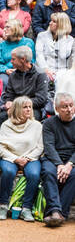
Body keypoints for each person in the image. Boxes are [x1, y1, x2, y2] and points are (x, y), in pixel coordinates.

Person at [0, 96, 43, 221]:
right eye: (25, 107)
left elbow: (40, 147)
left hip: (30, 158)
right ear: (16, 109)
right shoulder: (6, 125)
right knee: (9, 172)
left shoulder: (37, 125)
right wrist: (15, 159)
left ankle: (26, 208)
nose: (28, 110)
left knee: (34, 174)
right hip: (9, 156)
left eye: (30, 107)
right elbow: (1, 148)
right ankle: (3, 206)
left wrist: (27, 158)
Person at [41, 92, 75, 227]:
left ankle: (60, 214)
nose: (69, 109)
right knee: (48, 172)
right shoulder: (49, 123)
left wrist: (70, 164)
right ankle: (56, 211)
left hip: (72, 160)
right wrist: (60, 164)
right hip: (53, 158)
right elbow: (48, 146)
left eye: (71, 106)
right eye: (65, 107)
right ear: (56, 109)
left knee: (73, 175)